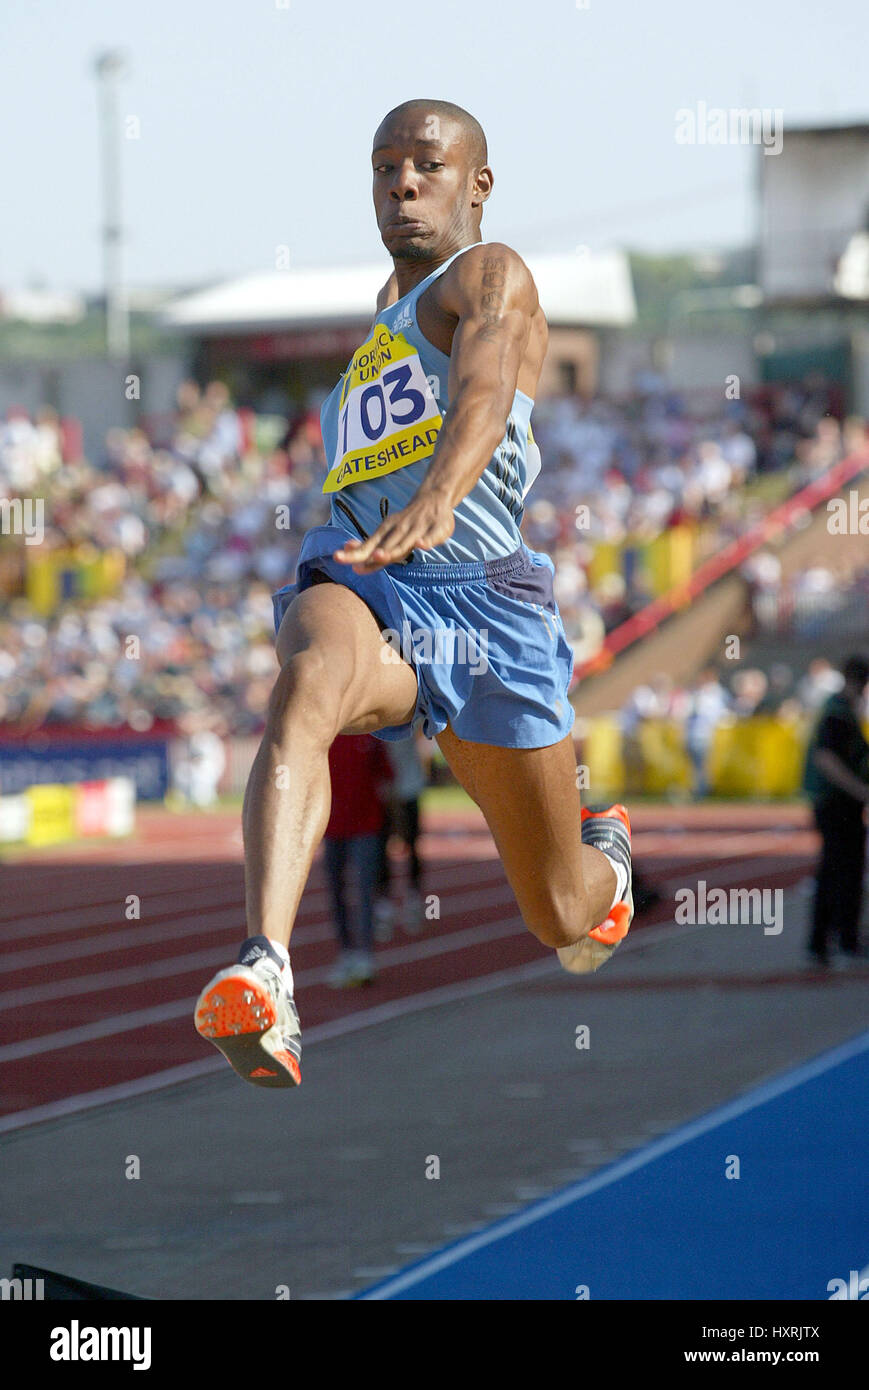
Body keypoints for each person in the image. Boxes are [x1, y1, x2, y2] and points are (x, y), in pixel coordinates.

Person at [194, 99, 634, 1089]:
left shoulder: (491, 276)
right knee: (305, 682)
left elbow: (481, 388)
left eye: (425, 165)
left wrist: (440, 492)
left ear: (476, 183)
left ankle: (605, 857)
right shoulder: (375, 327)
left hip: (486, 610)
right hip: (371, 577)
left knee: (560, 913)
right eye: (384, 165)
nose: (400, 182)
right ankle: (266, 971)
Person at [802, 654, 869, 968]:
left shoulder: (838, 709)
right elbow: (827, 759)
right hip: (836, 805)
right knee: (841, 872)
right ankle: (839, 940)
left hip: (836, 803)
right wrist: (860, 790)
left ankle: (829, 941)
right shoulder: (838, 713)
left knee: (837, 871)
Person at [323, 733, 393, 986]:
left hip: (367, 826)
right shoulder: (324, 736)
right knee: (336, 892)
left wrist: (391, 825)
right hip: (332, 827)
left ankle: (365, 956)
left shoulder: (372, 736)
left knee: (365, 891)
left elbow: (387, 777)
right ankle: (346, 953)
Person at [373, 733, 427, 938]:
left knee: (412, 847)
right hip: (385, 792)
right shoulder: (376, 724)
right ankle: (384, 908)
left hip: (409, 788)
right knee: (381, 850)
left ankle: (414, 901)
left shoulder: (411, 715)